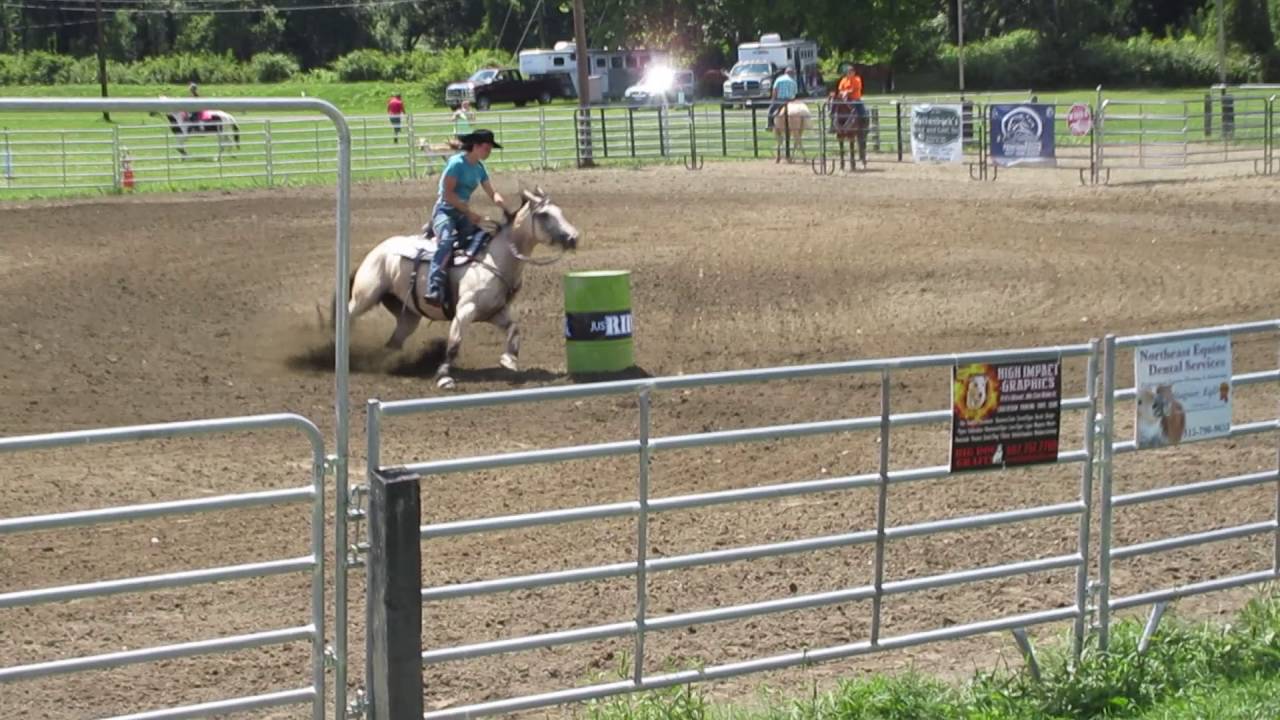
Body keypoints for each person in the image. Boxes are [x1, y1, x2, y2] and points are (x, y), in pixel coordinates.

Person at [424, 129, 508, 307]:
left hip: (461, 214)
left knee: (484, 236)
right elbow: (447, 195)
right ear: (476, 146)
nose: (489, 152)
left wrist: (502, 203)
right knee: (446, 241)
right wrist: (469, 214)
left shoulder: (479, 168)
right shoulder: (456, 164)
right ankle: (434, 286)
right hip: (445, 211)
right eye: (487, 148)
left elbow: (492, 192)